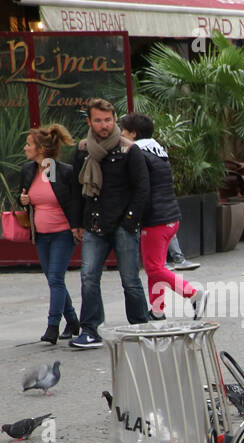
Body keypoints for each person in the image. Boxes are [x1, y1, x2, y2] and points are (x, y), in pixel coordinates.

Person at [69, 97, 149, 348]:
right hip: (94, 224)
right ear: (90, 122)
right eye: (98, 120)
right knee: (88, 277)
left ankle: (141, 328)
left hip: (123, 224)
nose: (104, 125)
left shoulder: (129, 149)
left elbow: (142, 188)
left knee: (130, 280)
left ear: (114, 119)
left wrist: (129, 221)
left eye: (108, 120)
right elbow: (75, 188)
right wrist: (77, 222)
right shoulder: (83, 149)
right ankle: (90, 329)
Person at [118, 113, 206, 320]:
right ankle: (157, 310)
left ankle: (193, 294)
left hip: (154, 219)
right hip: (170, 217)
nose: (120, 136)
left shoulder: (137, 152)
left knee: (154, 267)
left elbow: (140, 188)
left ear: (133, 133)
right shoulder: (158, 150)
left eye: (123, 133)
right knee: (154, 266)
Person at [18, 124, 81, 345]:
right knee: (55, 280)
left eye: (29, 144)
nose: (25, 148)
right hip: (41, 236)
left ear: (42, 149)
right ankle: (73, 322)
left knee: (55, 278)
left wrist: (76, 226)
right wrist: (23, 200)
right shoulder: (28, 170)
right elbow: (25, 197)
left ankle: (52, 327)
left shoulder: (60, 171)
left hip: (62, 233)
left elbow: (72, 201)